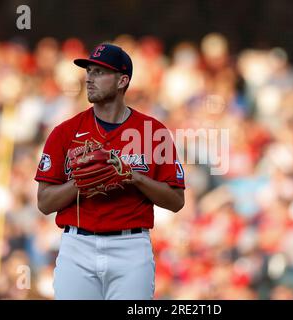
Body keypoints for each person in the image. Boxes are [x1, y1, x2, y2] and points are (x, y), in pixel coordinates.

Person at [34, 43, 185, 300]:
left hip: (131, 247)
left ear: (122, 80)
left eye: (99, 72)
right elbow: (44, 203)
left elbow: (176, 201)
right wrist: (81, 183)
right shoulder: (65, 132)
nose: (89, 78)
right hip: (77, 245)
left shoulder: (153, 131)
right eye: (89, 71)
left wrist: (132, 176)